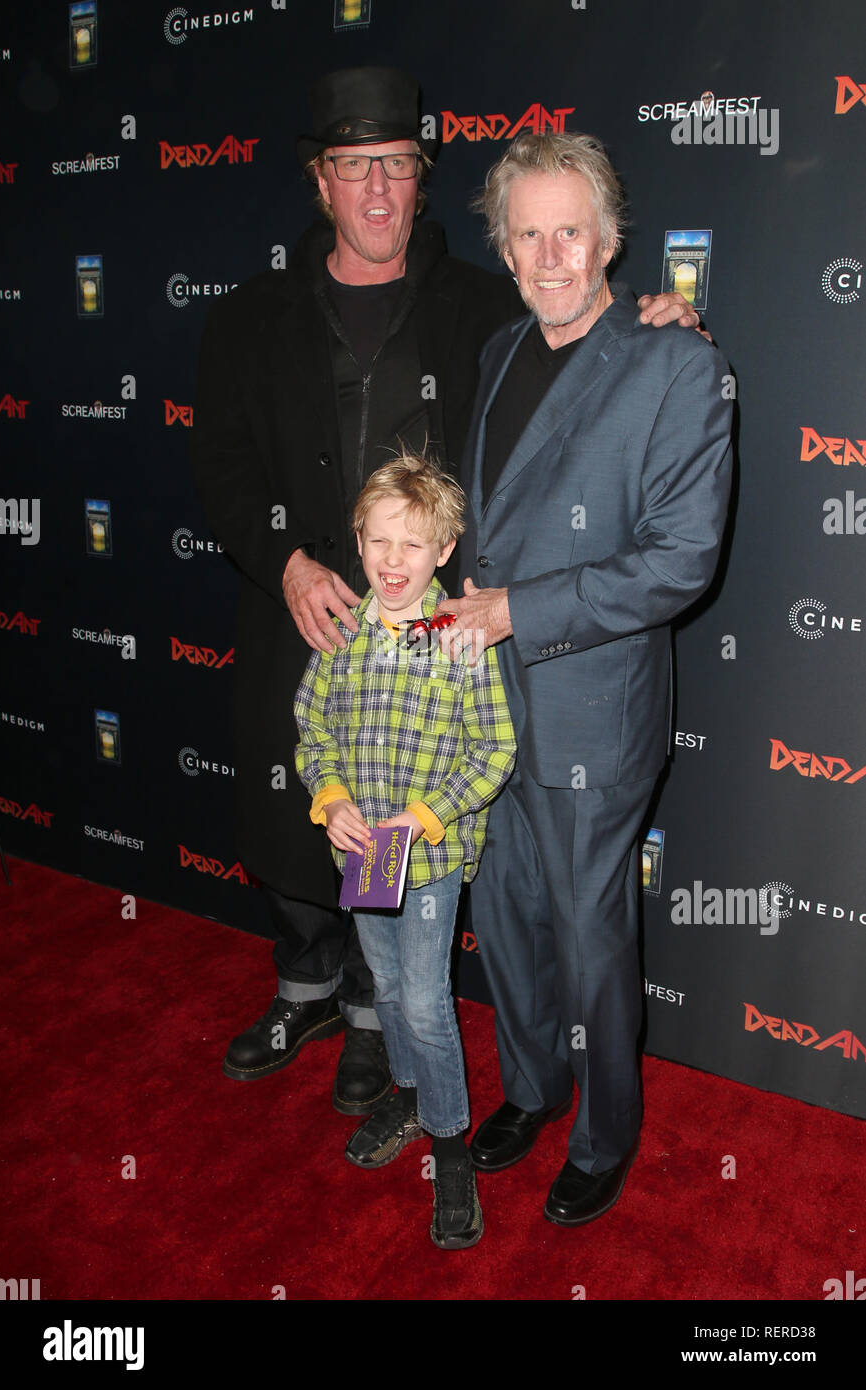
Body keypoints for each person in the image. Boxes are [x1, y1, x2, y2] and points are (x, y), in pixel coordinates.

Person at [190, 64, 703, 1117]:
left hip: (470, 649)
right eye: (354, 166)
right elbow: (224, 464)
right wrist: (286, 562)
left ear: (421, 178)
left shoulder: (486, 310)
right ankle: (335, 1001)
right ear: (321, 181)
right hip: (345, 630)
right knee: (345, 835)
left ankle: (421, 1037)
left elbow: (592, 355)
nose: (377, 187)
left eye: (397, 163)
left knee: (510, 885)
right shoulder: (259, 318)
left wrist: (666, 315)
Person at [436, 130, 733, 1227]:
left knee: (590, 935)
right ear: (503, 246)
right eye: (529, 235)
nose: (551, 255)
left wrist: (515, 610)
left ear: (610, 240)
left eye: (571, 232)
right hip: (488, 700)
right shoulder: (498, 350)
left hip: (590, 713)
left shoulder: (676, 364)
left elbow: (679, 563)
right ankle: (531, 1086)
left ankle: (605, 1133)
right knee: (507, 912)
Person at [294, 453, 516, 1248]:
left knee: (424, 1001)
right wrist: (330, 798)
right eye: (379, 541)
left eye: (413, 544)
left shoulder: (459, 637)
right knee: (385, 985)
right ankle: (412, 1096)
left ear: (444, 549)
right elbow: (312, 730)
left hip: (429, 862)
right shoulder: (341, 633)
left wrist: (424, 817)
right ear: (357, 541)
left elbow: (494, 751)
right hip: (361, 857)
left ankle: (451, 1147)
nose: (393, 561)